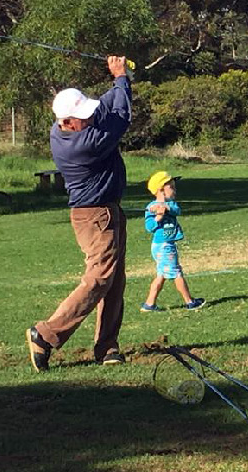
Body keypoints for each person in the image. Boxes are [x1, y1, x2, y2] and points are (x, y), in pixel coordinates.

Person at [25, 55, 133, 371]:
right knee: (100, 278)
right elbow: (121, 117)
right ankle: (45, 335)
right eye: (82, 117)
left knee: (114, 281)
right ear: (69, 122)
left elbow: (107, 105)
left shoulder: (64, 129)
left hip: (107, 212)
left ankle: (107, 346)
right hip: (95, 216)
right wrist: (121, 79)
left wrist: (121, 79)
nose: (89, 118)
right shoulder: (84, 143)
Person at [140, 171, 204, 312]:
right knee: (176, 273)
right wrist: (157, 216)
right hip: (163, 246)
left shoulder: (171, 204)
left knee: (161, 276)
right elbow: (149, 227)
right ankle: (190, 302)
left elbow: (177, 210)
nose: (175, 190)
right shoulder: (151, 207)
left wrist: (166, 207)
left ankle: (149, 304)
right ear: (161, 190)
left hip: (166, 244)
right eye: (172, 187)